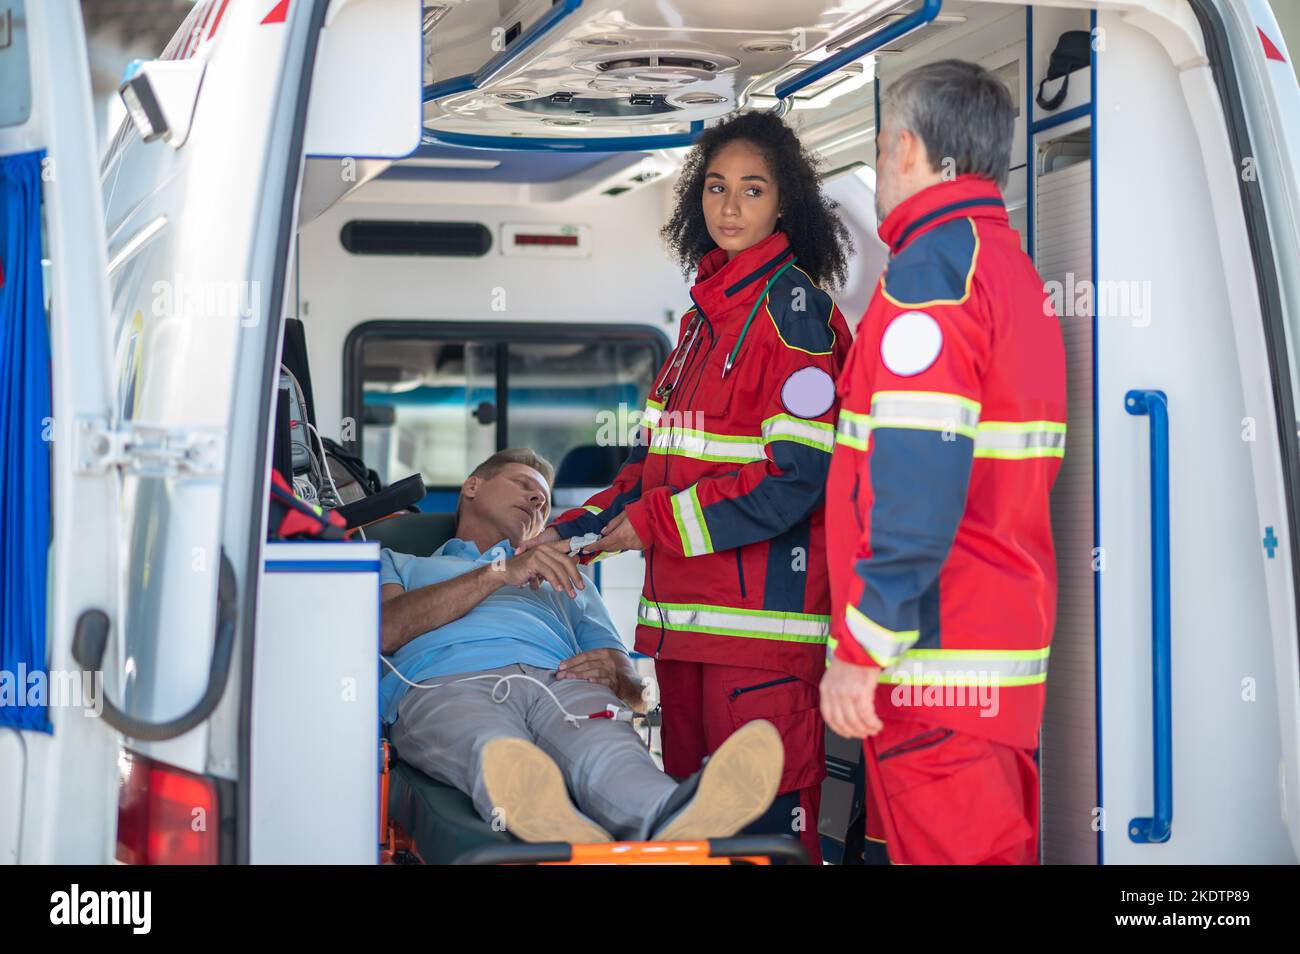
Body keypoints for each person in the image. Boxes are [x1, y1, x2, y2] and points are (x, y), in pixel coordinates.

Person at [524, 112, 854, 863]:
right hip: (688, 635)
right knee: (693, 842)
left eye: (752, 189)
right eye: (715, 187)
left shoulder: (795, 314)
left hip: (759, 646)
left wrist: (655, 528)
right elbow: (646, 469)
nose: (730, 207)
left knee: (760, 844)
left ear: (785, 204)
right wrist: (569, 531)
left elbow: (794, 480)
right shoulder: (699, 326)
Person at [819, 59, 1067, 864]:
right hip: (981, 667)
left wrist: (862, 656)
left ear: (907, 150)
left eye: (884, 147)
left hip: (934, 668)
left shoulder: (933, 275)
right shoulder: (1003, 264)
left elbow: (919, 486)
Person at [380, 448, 785, 845]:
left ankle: (676, 815)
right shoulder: (398, 562)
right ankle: (542, 812)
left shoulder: (565, 577)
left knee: (613, 755)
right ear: (472, 486)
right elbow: (387, 629)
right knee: (494, 747)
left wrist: (622, 682)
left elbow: (635, 692)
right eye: (523, 484)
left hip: (562, 682)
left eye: (544, 501)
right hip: (446, 683)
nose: (537, 500)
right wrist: (499, 573)